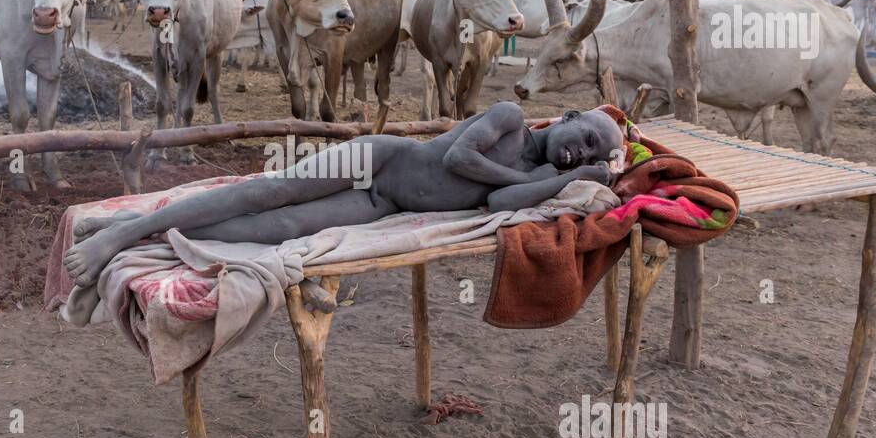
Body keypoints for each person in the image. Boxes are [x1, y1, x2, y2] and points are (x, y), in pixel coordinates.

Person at [64, 102, 624, 287]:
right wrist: (531, 180)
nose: (584, 153)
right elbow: (458, 159)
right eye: (588, 137)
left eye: (596, 154)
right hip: (381, 158)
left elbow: (500, 207)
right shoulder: (512, 120)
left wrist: (577, 180)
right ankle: (125, 228)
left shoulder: (536, 175)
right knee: (270, 192)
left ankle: (144, 227)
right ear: (570, 118)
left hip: (387, 203)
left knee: (280, 230)